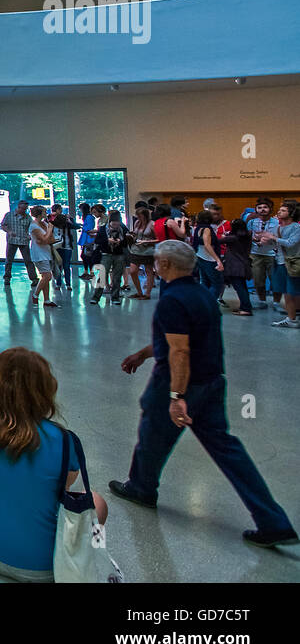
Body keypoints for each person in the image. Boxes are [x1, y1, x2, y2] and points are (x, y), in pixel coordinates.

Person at [110, 241, 297, 548]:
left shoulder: (172, 300)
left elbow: (180, 351)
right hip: (212, 381)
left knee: (152, 436)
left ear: (167, 265)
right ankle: (273, 521)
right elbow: (180, 340)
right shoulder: (201, 294)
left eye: (157, 261)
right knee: (227, 450)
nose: (154, 265)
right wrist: (143, 354)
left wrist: (175, 396)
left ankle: (142, 488)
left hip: (181, 384)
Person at [0, 347, 108, 581]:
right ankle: (93, 552)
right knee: (98, 502)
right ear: (46, 390)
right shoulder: (64, 440)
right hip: (43, 567)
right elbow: (62, 487)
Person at [263, 202, 300, 328]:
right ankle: (292, 318)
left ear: (291, 213)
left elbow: (290, 243)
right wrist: (265, 241)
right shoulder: (278, 228)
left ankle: (292, 319)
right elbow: (277, 245)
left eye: (283, 210)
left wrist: (273, 238)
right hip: (280, 262)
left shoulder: (296, 227)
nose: (279, 212)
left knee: (291, 292)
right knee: (287, 292)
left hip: (291, 263)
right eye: (279, 210)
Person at [90, 210, 130, 305]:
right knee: (102, 276)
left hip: (119, 254)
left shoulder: (123, 229)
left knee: (117, 277)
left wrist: (120, 241)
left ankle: (115, 297)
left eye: (118, 223)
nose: (116, 225)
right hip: (106, 254)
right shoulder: (103, 229)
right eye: (114, 223)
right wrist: (108, 240)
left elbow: (126, 243)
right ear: (110, 222)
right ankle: (96, 297)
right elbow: (98, 241)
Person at [247, 199, 279, 310]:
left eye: (265, 207)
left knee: (275, 279)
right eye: (259, 207)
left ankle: (276, 303)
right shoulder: (251, 222)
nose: (262, 209)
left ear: (270, 209)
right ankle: (262, 301)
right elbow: (247, 236)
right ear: (256, 209)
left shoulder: (277, 222)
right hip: (256, 254)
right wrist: (255, 239)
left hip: (272, 254)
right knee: (258, 279)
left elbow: (280, 237)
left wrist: (270, 238)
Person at [220, 218, 255, 317]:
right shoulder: (247, 235)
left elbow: (216, 241)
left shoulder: (232, 238)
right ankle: (245, 306)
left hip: (234, 266)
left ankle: (246, 309)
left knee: (239, 288)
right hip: (244, 264)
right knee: (243, 287)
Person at [26, 206, 58, 308]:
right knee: (48, 276)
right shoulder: (34, 226)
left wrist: (46, 238)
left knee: (45, 277)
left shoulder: (44, 224)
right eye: (44, 211)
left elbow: (50, 239)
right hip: (39, 254)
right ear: (39, 214)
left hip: (46, 253)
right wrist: (49, 230)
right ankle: (35, 294)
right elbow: (44, 239)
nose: (46, 213)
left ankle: (47, 299)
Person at [0, 201, 35, 284]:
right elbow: (3, 225)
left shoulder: (28, 217)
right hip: (12, 241)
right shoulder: (9, 215)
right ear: (18, 207)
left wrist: (30, 235)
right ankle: (7, 277)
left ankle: (33, 278)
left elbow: (32, 228)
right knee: (9, 260)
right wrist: (9, 232)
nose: (24, 211)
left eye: (26, 209)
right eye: (23, 209)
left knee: (28, 260)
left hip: (24, 241)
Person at [125, 205, 156, 300]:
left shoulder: (152, 224)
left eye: (140, 216)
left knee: (149, 271)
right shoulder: (137, 222)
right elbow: (136, 234)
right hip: (136, 249)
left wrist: (147, 241)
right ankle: (139, 292)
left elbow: (158, 239)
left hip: (148, 251)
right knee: (133, 271)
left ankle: (147, 294)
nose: (138, 218)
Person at [192, 210, 224, 300]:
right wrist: (218, 260)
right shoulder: (207, 229)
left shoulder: (197, 228)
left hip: (200, 256)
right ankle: (209, 303)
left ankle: (203, 302)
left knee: (205, 282)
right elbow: (207, 245)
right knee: (217, 284)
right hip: (209, 258)